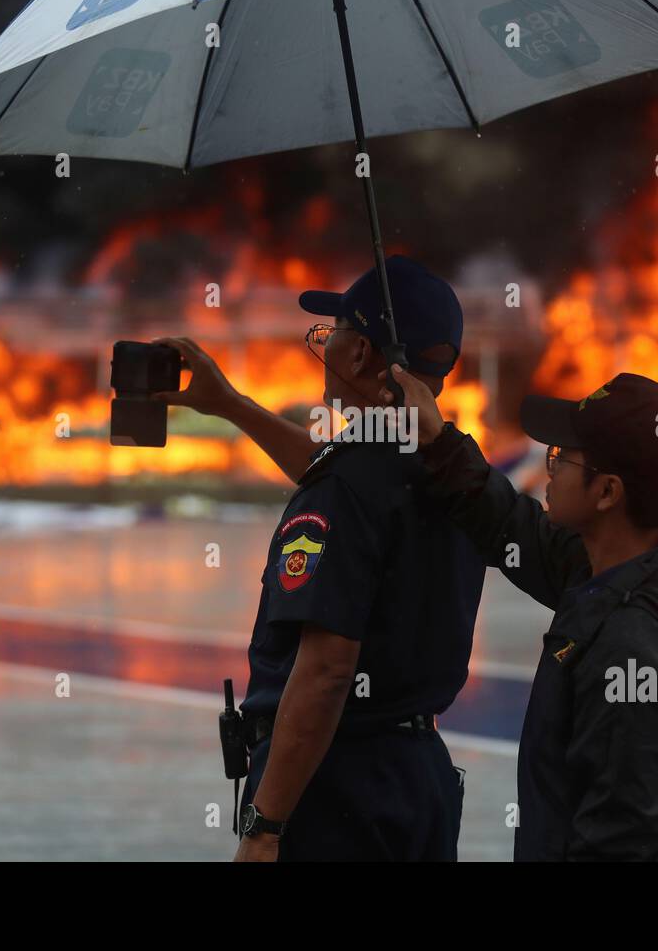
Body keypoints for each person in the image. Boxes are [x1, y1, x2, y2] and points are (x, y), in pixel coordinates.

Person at [153, 255, 486, 861]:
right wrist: (228, 403)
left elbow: (328, 671)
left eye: (332, 334)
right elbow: (333, 470)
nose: (324, 346)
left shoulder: (346, 489)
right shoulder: (452, 470)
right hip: (418, 783)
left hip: (337, 791)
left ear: (359, 355)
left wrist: (266, 826)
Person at [381, 366, 658, 861]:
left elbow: (622, 842)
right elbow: (514, 528)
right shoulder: (622, 567)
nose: (549, 469)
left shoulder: (630, 652)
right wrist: (439, 440)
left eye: (561, 458)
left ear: (606, 493)